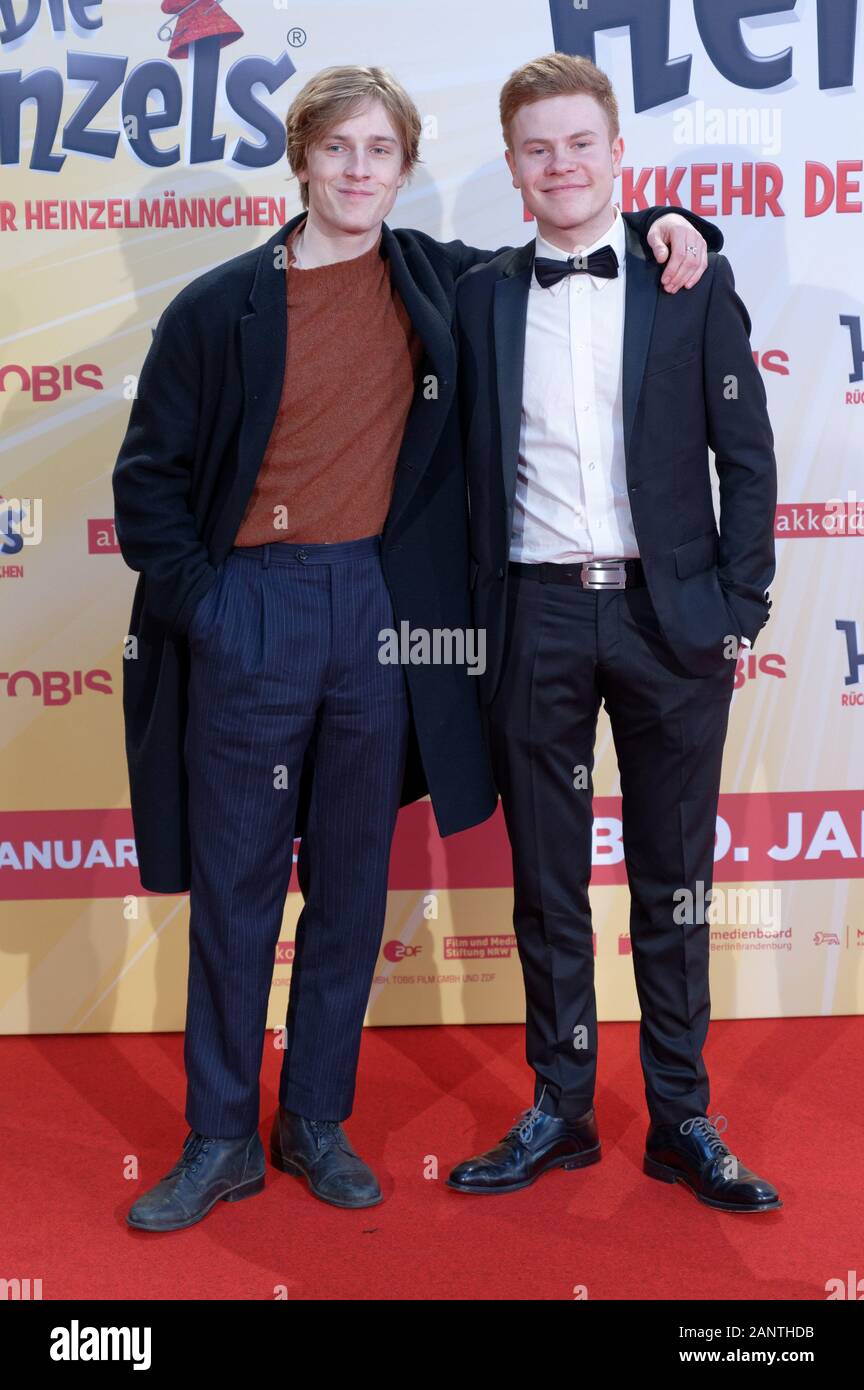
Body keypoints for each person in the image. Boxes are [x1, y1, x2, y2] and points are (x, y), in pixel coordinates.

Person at [112, 63, 720, 1231]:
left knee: (350, 888)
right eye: (336, 151)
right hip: (254, 609)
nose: (355, 172)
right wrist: (214, 610)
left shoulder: (435, 280)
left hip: (383, 620)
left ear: (402, 168)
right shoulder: (216, 306)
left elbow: (572, 234)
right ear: (301, 161)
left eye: (378, 153)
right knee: (238, 894)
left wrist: (672, 224)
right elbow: (147, 486)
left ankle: (317, 1120)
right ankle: (222, 1135)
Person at [447, 53, 780, 1213]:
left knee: (674, 879)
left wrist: (744, 606)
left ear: (616, 152)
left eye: (581, 142)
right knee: (546, 883)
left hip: (673, 616)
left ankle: (683, 1112)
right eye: (538, 147)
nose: (562, 164)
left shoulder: (686, 279)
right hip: (533, 611)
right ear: (512, 166)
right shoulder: (481, 292)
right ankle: (564, 1105)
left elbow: (748, 456)